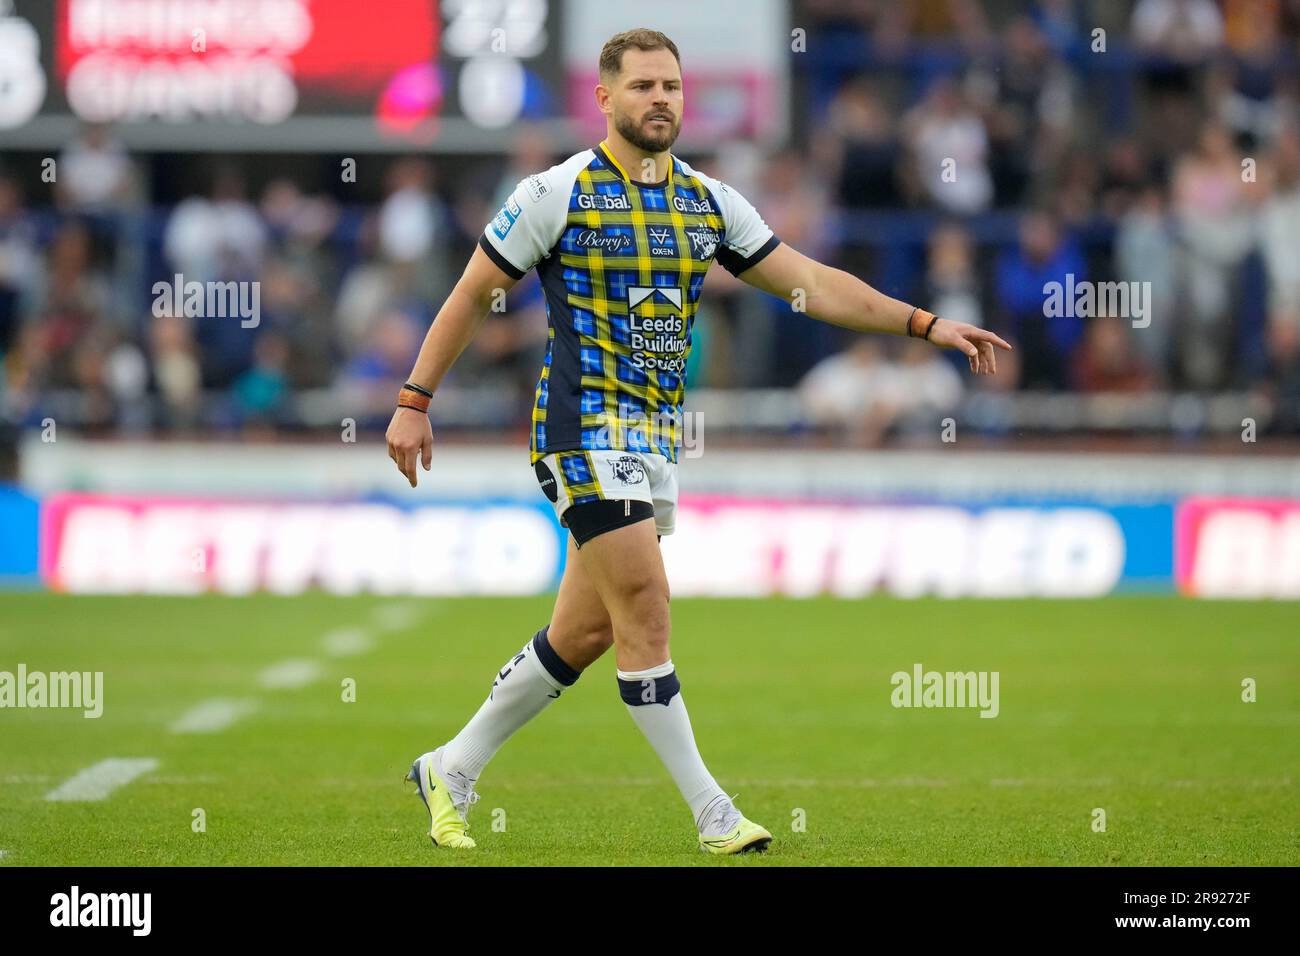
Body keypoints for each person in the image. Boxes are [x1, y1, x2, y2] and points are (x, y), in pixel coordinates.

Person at [384, 28, 1011, 855]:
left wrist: (924, 324)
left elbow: (812, 285)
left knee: (587, 632)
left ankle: (451, 767)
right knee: (645, 607)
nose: (660, 100)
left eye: (672, 87)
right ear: (604, 99)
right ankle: (715, 813)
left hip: (652, 440)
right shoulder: (556, 192)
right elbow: (473, 293)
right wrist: (413, 400)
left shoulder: (709, 203)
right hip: (579, 433)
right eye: (643, 86)